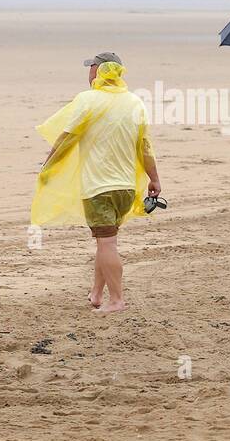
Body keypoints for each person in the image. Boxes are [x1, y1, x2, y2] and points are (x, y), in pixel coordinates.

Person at [31, 52, 162, 313]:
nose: (89, 74)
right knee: (107, 242)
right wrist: (154, 179)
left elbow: (67, 138)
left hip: (98, 188)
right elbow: (144, 146)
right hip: (125, 189)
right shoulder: (135, 102)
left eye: (91, 69)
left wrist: (47, 166)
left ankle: (116, 300)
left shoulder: (87, 100)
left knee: (106, 244)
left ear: (99, 71)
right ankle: (96, 293)